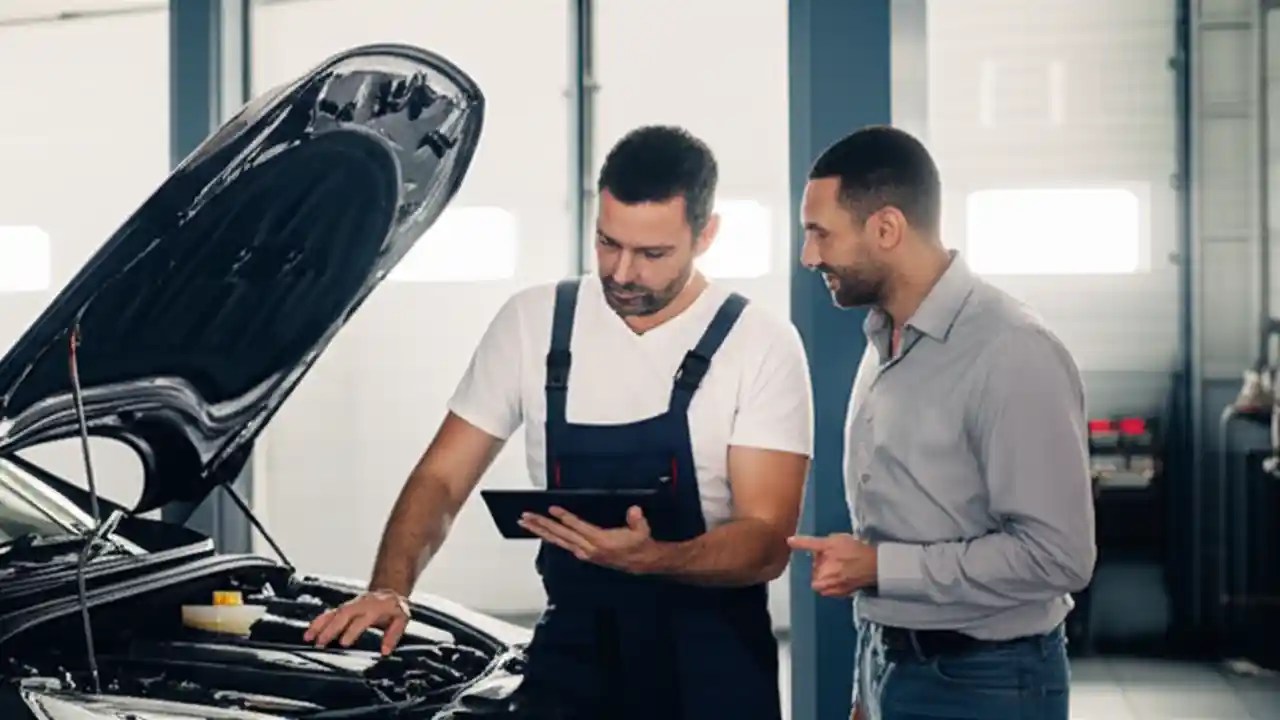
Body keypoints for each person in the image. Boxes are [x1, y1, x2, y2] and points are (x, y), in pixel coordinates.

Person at [304, 124, 814, 719]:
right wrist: (390, 587)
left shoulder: (759, 343)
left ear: (706, 235)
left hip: (713, 671)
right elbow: (442, 478)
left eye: (652, 254)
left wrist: (654, 558)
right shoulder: (534, 323)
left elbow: (765, 542)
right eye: (607, 243)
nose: (622, 272)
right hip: (573, 661)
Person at [786, 125, 1096, 720]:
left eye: (821, 233)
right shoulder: (884, 338)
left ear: (887, 229)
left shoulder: (1012, 349)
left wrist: (879, 568)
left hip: (988, 682)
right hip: (892, 662)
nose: (809, 256)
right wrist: (869, 680)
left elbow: (1059, 556)